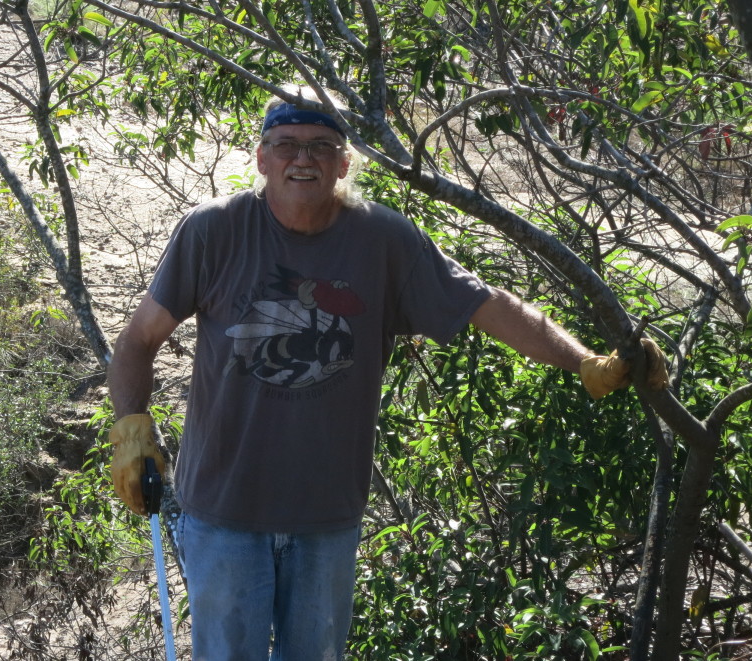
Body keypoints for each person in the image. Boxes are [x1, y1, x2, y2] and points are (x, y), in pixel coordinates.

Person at [106, 86, 667, 661]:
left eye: (321, 146)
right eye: (287, 145)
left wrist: (583, 361)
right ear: (262, 158)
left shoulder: (383, 239)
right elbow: (137, 342)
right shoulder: (214, 231)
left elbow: (488, 305)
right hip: (224, 513)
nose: (304, 158)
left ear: (344, 163)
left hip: (325, 518)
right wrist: (131, 429)